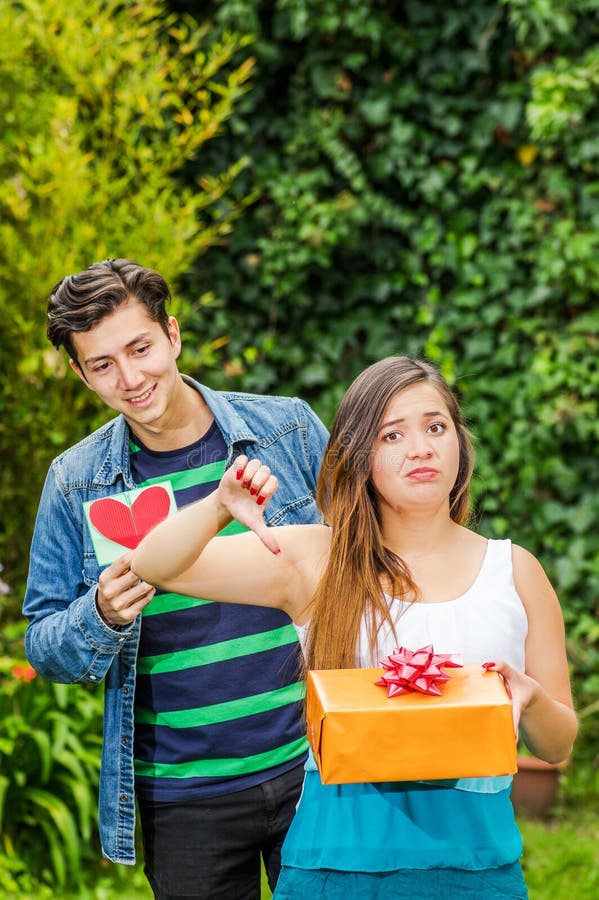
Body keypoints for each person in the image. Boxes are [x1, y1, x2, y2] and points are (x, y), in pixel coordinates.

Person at [131, 355, 578, 900]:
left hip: (479, 870)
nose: (421, 448)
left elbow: (557, 745)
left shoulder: (515, 570)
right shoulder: (317, 561)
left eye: (436, 427)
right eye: (392, 435)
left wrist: (530, 698)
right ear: (359, 457)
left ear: (460, 444)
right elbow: (153, 565)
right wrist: (219, 507)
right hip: (334, 870)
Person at [22, 258, 329, 900]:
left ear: (173, 335)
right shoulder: (75, 482)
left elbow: (366, 562)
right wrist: (100, 614)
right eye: (103, 365)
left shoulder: (289, 430)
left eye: (140, 348)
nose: (131, 379)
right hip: (185, 800)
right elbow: (43, 645)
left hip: (316, 766)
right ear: (80, 374)